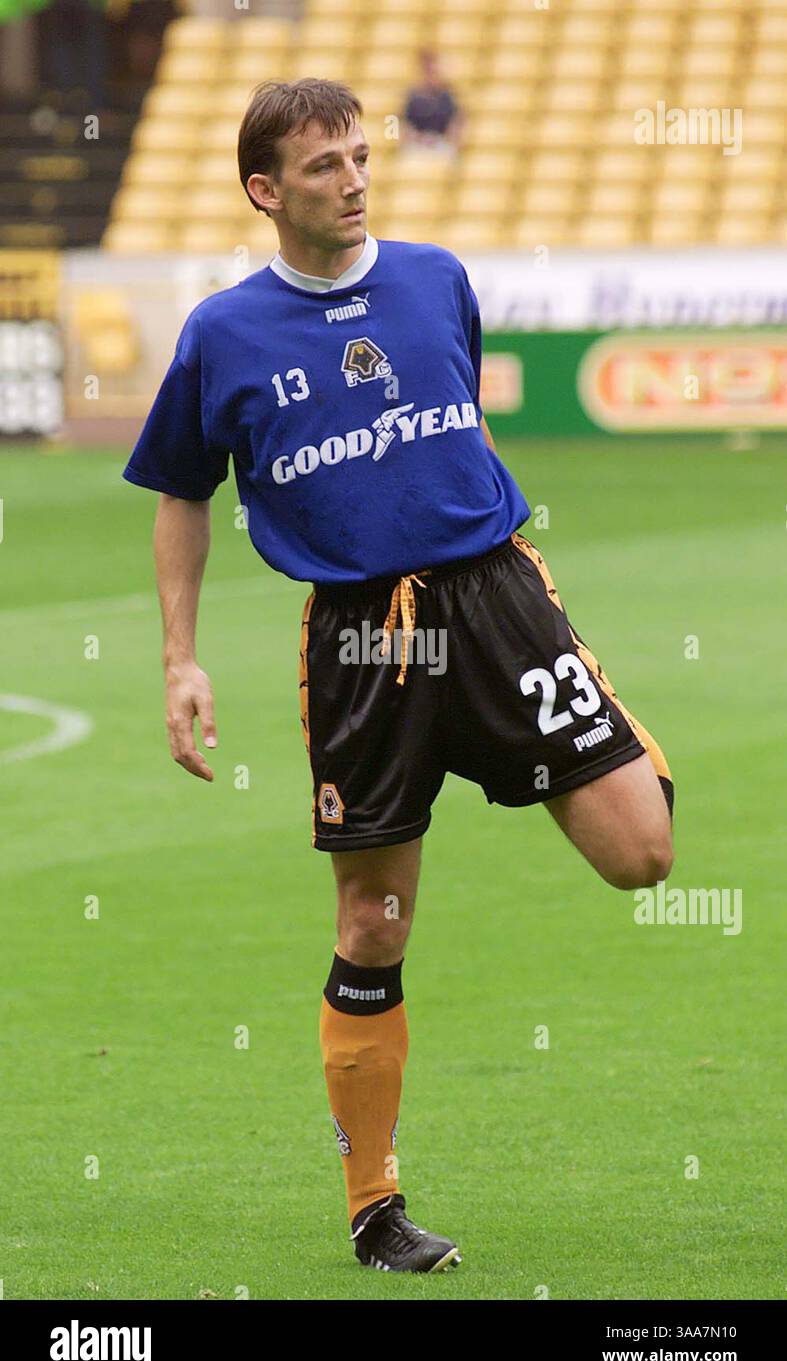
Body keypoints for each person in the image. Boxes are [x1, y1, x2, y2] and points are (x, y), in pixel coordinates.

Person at [122, 79, 674, 1275]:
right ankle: (375, 1206)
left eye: (362, 157)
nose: (356, 180)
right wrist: (180, 660)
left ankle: (600, 712)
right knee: (374, 922)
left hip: (495, 598)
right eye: (325, 167)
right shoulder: (223, 333)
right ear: (266, 190)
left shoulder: (434, 279)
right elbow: (181, 494)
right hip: (365, 643)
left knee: (644, 853)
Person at [402, 49, 463, 152]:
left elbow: (457, 121)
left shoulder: (447, 97)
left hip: (442, 143)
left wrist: (447, 139)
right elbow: (403, 123)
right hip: (418, 144)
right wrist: (419, 138)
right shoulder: (413, 98)